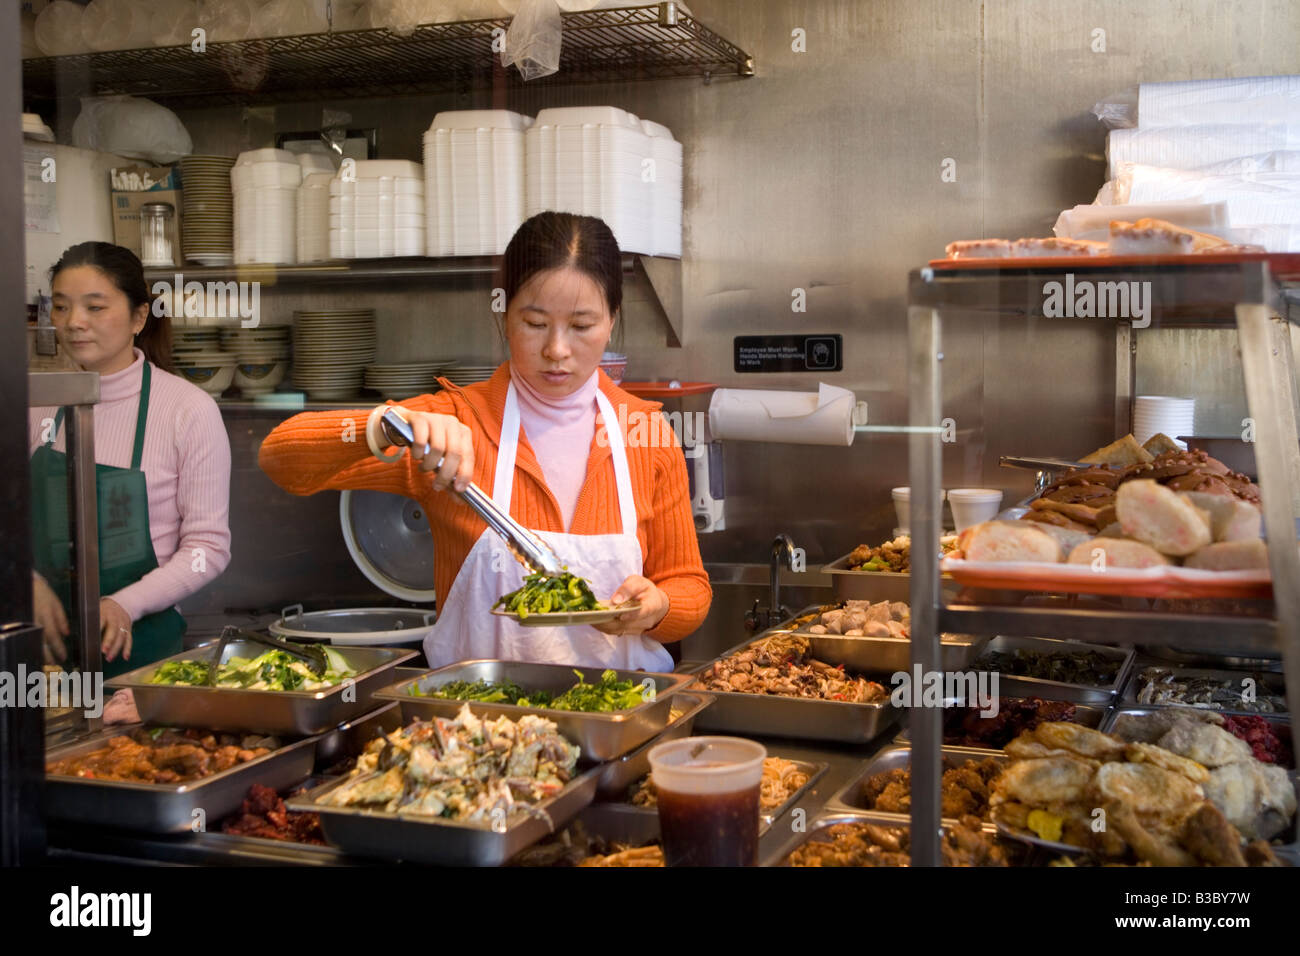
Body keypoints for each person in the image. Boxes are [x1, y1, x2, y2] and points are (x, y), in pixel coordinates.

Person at [260, 212, 711, 670]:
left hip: (616, 723)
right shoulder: (454, 422)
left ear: (612, 319)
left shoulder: (646, 435)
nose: (557, 349)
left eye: (581, 326)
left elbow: (689, 586)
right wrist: (384, 424)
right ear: (504, 314)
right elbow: (280, 459)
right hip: (479, 723)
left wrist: (659, 608)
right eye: (535, 323)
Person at [29, 242, 232, 678]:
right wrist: (24, 579)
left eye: (95, 307)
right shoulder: (36, 406)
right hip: (42, 659)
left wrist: (126, 603)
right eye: (61, 308)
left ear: (139, 317)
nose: (74, 323)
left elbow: (208, 549)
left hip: (142, 656)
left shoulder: (186, 410)